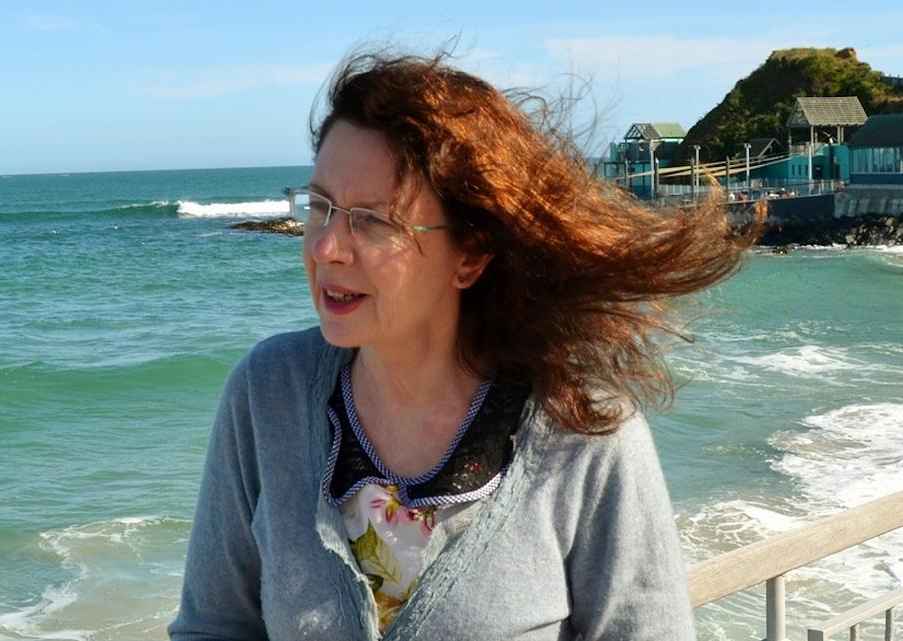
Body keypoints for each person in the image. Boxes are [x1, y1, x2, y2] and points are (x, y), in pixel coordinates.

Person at [169, 50, 760, 641]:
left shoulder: (583, 429)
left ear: (470, 256)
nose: (326, 248)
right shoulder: (268, 392)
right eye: (321, 207)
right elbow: (213, 627)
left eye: (373, 220)